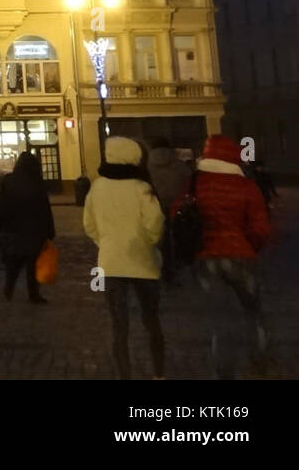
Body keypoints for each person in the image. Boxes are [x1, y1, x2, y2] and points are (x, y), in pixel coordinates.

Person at [172, 135, 272, 379]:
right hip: (240, 255)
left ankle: (224, 373)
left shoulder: (194, 183)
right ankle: (259, 364)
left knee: (221, 321)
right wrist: (249, 247)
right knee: (253, 312)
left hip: (206, 257)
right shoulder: (246, 186)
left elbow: (177, 213)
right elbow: (260, 227)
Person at [84, 137, 165, 379]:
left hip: (110, 262)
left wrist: (105, 243)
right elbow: (155, 224)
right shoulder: (141, 188)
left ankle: (124, 375)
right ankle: (159, 374)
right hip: (143, 262)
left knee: (119, 327)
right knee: (152, 322)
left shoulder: (97, 187)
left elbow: (89, 224)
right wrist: (147, 243)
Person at [0, 151, 54, 304]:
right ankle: (33, 295)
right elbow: (45, 210)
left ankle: (8, 290)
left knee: (13, 265)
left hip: (12, 230)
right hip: (33, 232)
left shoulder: (8, 181)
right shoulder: (37, 183)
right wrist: (49, 232)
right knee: (32, 266)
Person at [146, 136, 190, 282]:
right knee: (176, 237)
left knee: (159, 237)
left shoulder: (146, 166)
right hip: (177, 207)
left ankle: (159, 267)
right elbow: (188, 183)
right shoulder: (179, 165)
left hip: (155, 205)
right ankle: (174, 267)